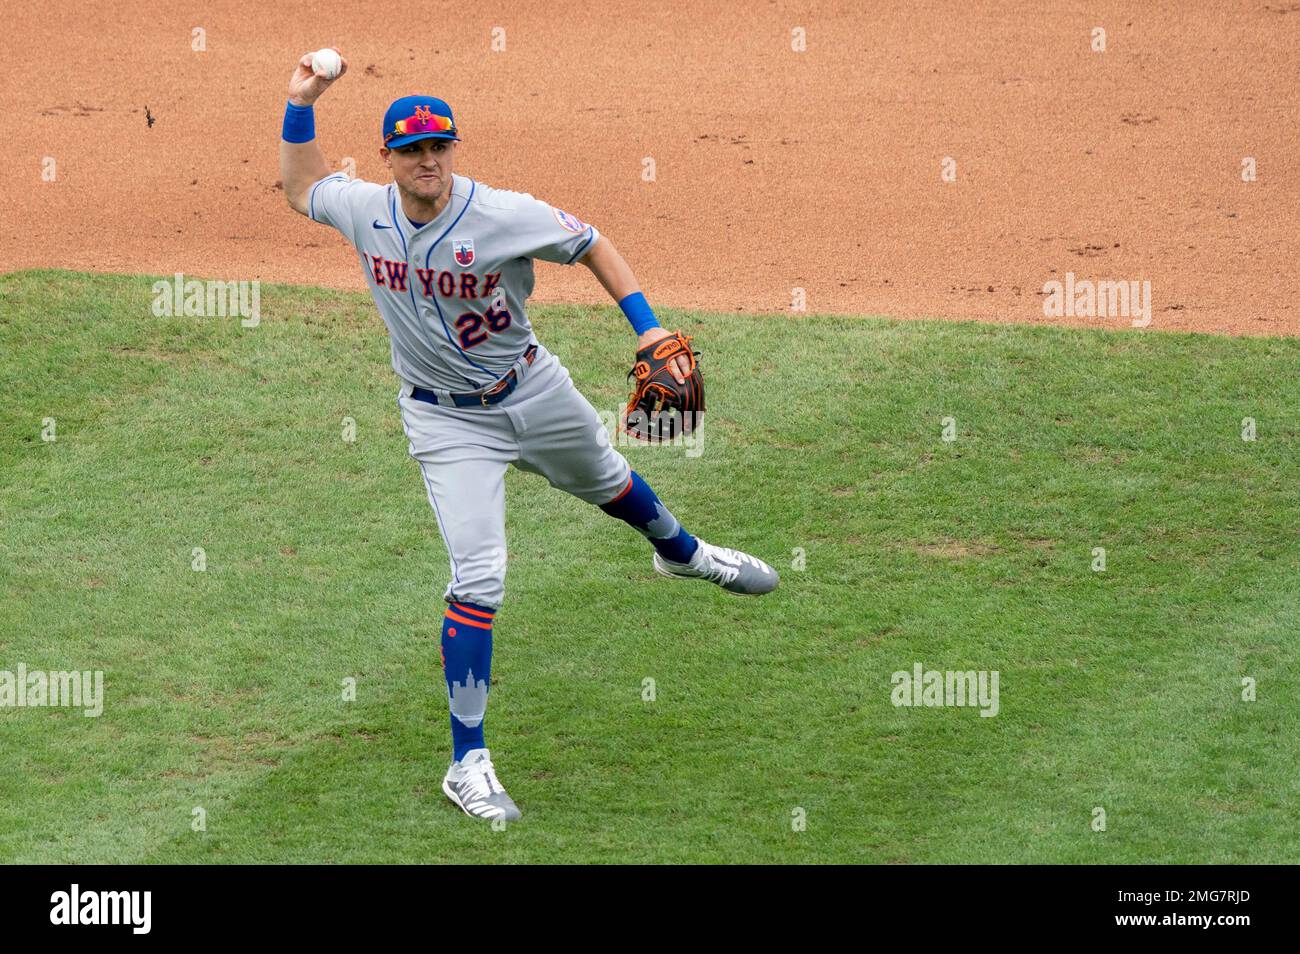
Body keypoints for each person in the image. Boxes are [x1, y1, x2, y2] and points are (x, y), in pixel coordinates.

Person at [278, 50, 779, 822]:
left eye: (439, 146)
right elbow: (303, 187)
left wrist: (649, 330)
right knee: (478, 579)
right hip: (445, 420)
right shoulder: (361, 208)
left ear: (453, 149)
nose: (428, 161)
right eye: (411, 150)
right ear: (388, 159)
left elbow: (592, 244)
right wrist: (301, 101)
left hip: (532, 386)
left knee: (612, 482)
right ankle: (467, 763)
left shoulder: (501, 212)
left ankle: (683, 555)